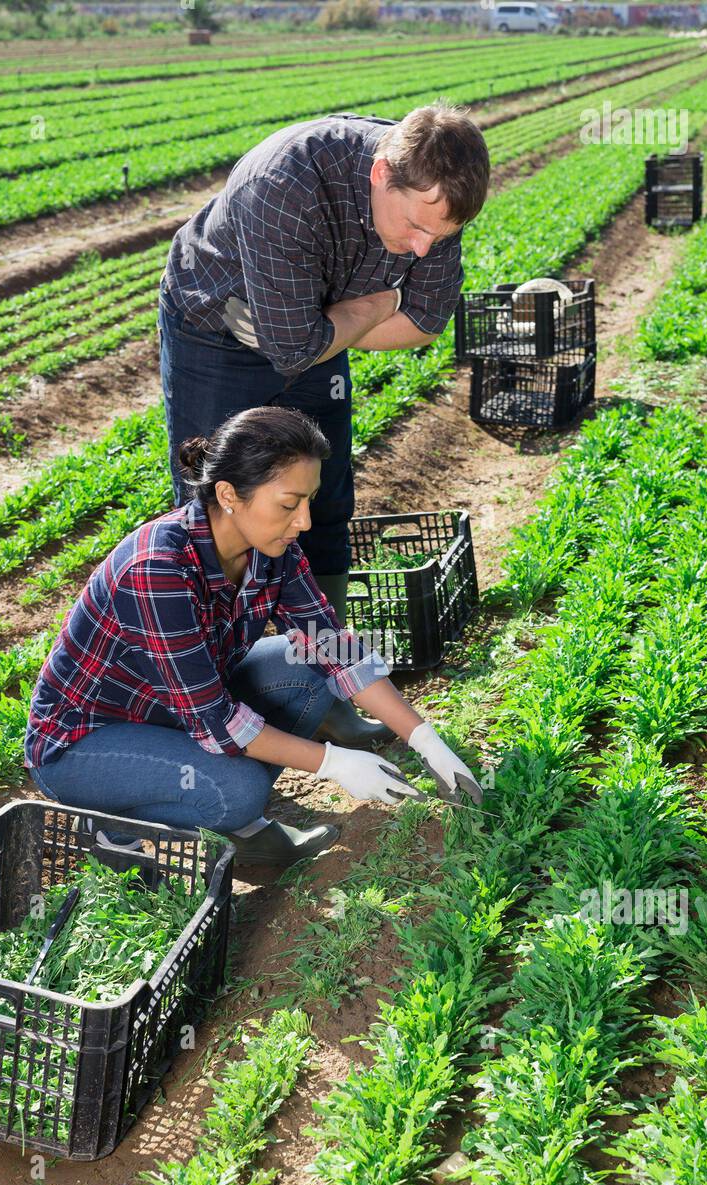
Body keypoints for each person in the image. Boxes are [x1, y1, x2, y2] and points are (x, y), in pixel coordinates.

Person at [158, 102, 490, 750]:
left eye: (439, 236)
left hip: (313, 334)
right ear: (379, 175)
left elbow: (424, 322)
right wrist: (379, 302)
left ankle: (328, 697)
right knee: (217, 517)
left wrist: (331, 327)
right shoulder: (285, 185)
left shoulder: (433, 195)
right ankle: (206, 713)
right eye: (416, 228)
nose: (425, 247)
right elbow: (294, 346)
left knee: (323, 501)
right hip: (215, 333)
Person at [23, 407, 483, 867]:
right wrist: (333, 763)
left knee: (304, 668)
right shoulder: (157, 570)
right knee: (239, 790)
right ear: (228, 494)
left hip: (173, 713)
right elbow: (216, 722)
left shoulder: (270, 550)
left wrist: (424, 739)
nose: (303, 520)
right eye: (288, 504)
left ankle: (215, 804)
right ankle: (117, 822)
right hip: (86, 743)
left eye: (309, 501)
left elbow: (335, 649)